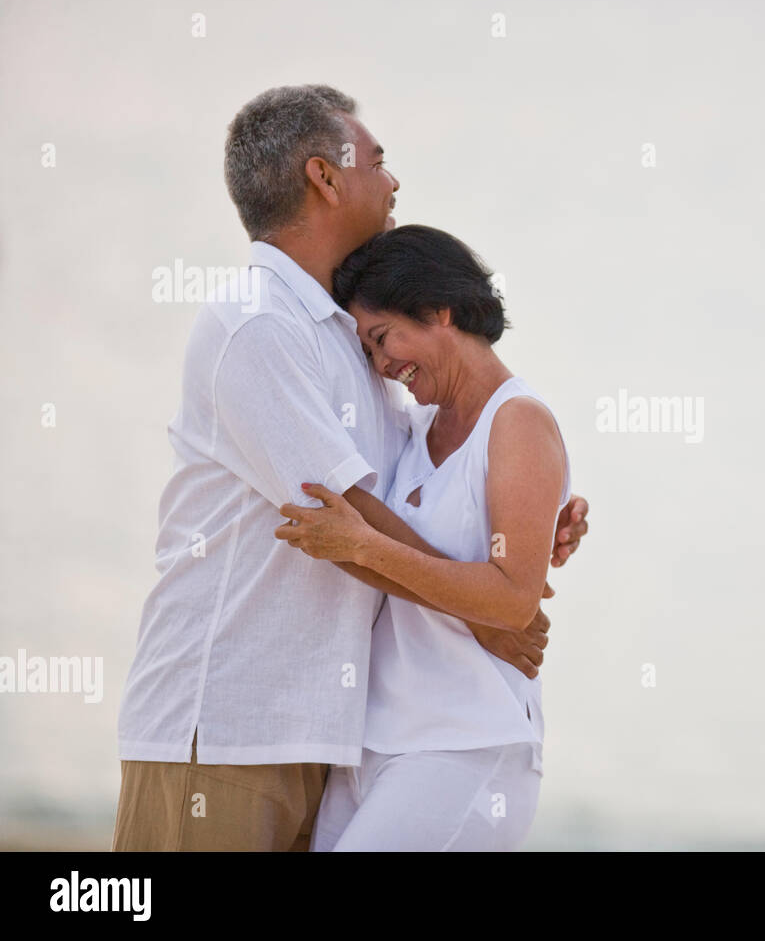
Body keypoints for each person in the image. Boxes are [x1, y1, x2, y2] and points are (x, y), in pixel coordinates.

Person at [112, 85, 589, 851]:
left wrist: (529, 519)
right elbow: (343, 507)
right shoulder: (260, 325)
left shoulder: (346, 339)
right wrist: (492, 612)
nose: (392, 181)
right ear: (324, 178)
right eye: (377, 161)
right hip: (226, 725)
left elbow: (430, 490)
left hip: (328, 736)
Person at [275, 224, 569, 850]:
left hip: (467, 745)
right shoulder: (416, 426)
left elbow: (514, 599)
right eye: (370, 351)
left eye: (383, 338)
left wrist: (361, 544)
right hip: (376, 743)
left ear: (439, 309)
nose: (383, 364)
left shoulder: (517, 421)